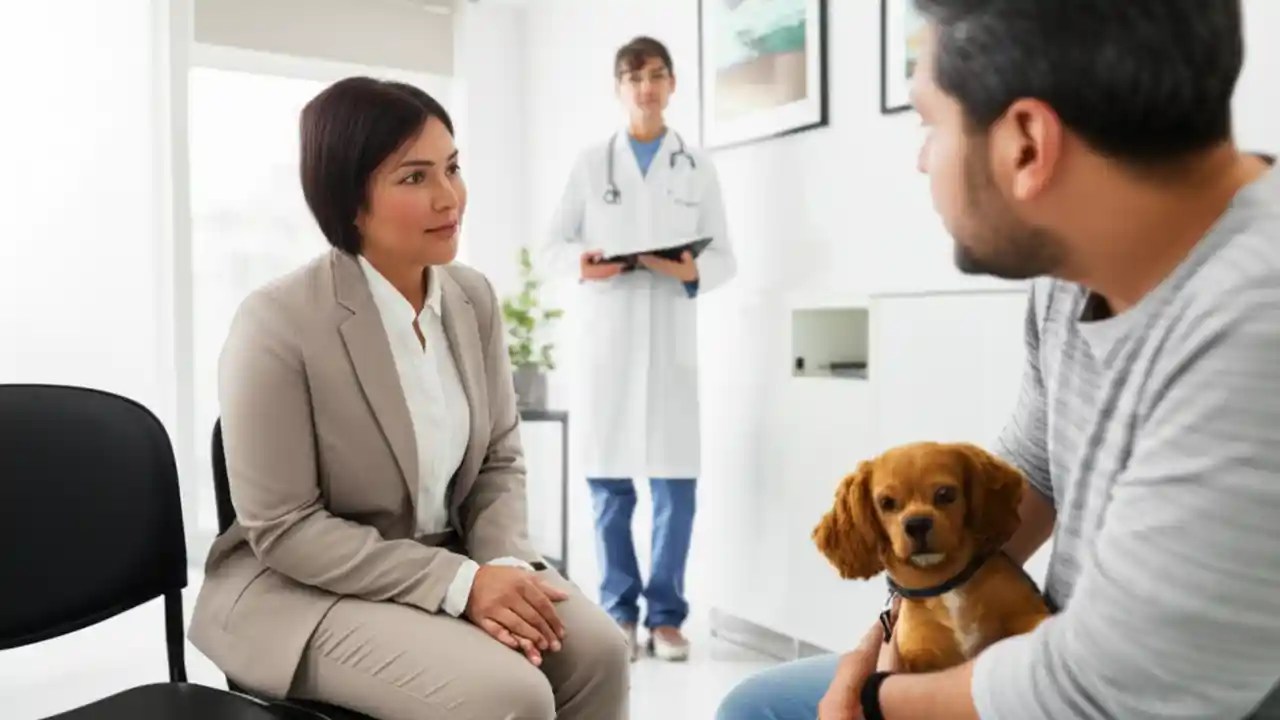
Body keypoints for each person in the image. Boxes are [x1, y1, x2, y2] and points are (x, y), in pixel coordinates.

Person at [718, 1, 1280, 718]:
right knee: (756, 705)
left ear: (1025, 144)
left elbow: (1107, 694)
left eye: (930, 124)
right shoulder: (1073, 277)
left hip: (1112, 697)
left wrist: (877, 699)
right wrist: (895, 629)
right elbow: (1022, 486)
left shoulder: (1255, 327)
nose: (923, 157)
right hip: (1056, 658)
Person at [187, 77, 630, 720]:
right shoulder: (276, 323)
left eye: (452, 168)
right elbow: (284, 529)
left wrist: (500, 564)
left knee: (600, 653)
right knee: (511, 697)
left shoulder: (471, 299)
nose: (449, 197)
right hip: (306, 590)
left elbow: (499, 461)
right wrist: (461, 586)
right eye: (414, 178)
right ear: (351, 202)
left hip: (452, 556)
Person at [540, 35, 737, 662]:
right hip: (610, 343)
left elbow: (725, 256)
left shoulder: (696, 166)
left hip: (671, 345)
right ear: (618, 88)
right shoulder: (591, 163)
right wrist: (584, 264)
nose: (645, 87)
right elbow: (551, 246)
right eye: (633, 77)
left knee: (676, 492)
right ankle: (620, 612)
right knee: (611, 491)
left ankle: (668, 617)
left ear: (673, 84)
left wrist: (689, 272)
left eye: (656, 75)